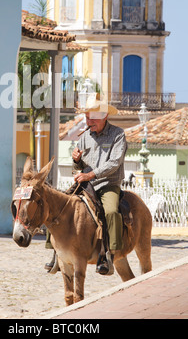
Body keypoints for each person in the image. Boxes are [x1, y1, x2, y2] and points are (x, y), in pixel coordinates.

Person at [72, 95, 127, 274]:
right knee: (60, 203)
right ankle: (56, 253)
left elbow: (114, 163)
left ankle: (110, 253)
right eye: (87, 117)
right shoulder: (84, 137)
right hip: (86, 183)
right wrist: (76, 160)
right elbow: (79, 166)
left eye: (93, 117)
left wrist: (90, 175)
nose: (89, 121)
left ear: (104, 117)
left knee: (111, 211)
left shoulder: (118, 134)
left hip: (108, 184)